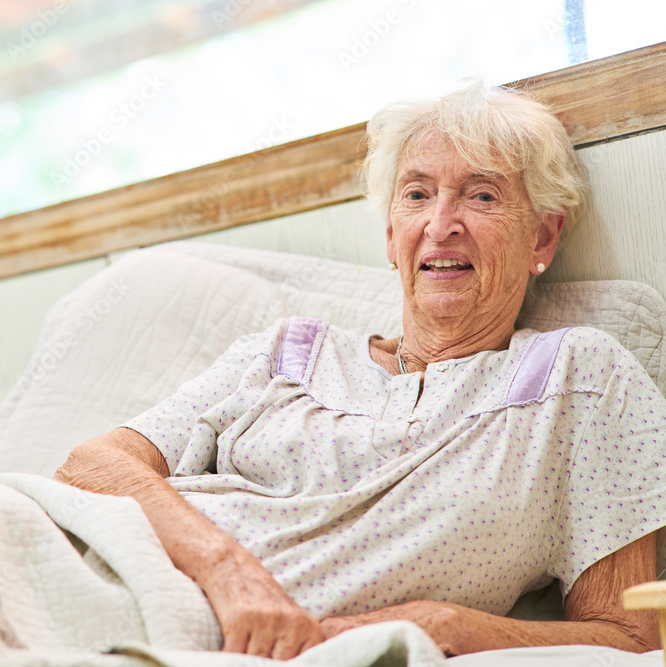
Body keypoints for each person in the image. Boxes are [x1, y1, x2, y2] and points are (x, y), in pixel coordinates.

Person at [54, 82, 666, 658]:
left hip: (171, 642)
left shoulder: (581, 379)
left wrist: (444, 625)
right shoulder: (286, 351)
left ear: (542, 238)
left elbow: (629, 636)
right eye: (417, 195)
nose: (440, 224)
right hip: (81, 563)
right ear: (393, 234)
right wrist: (229, 572)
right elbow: (91, 465)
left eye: (481, 196)